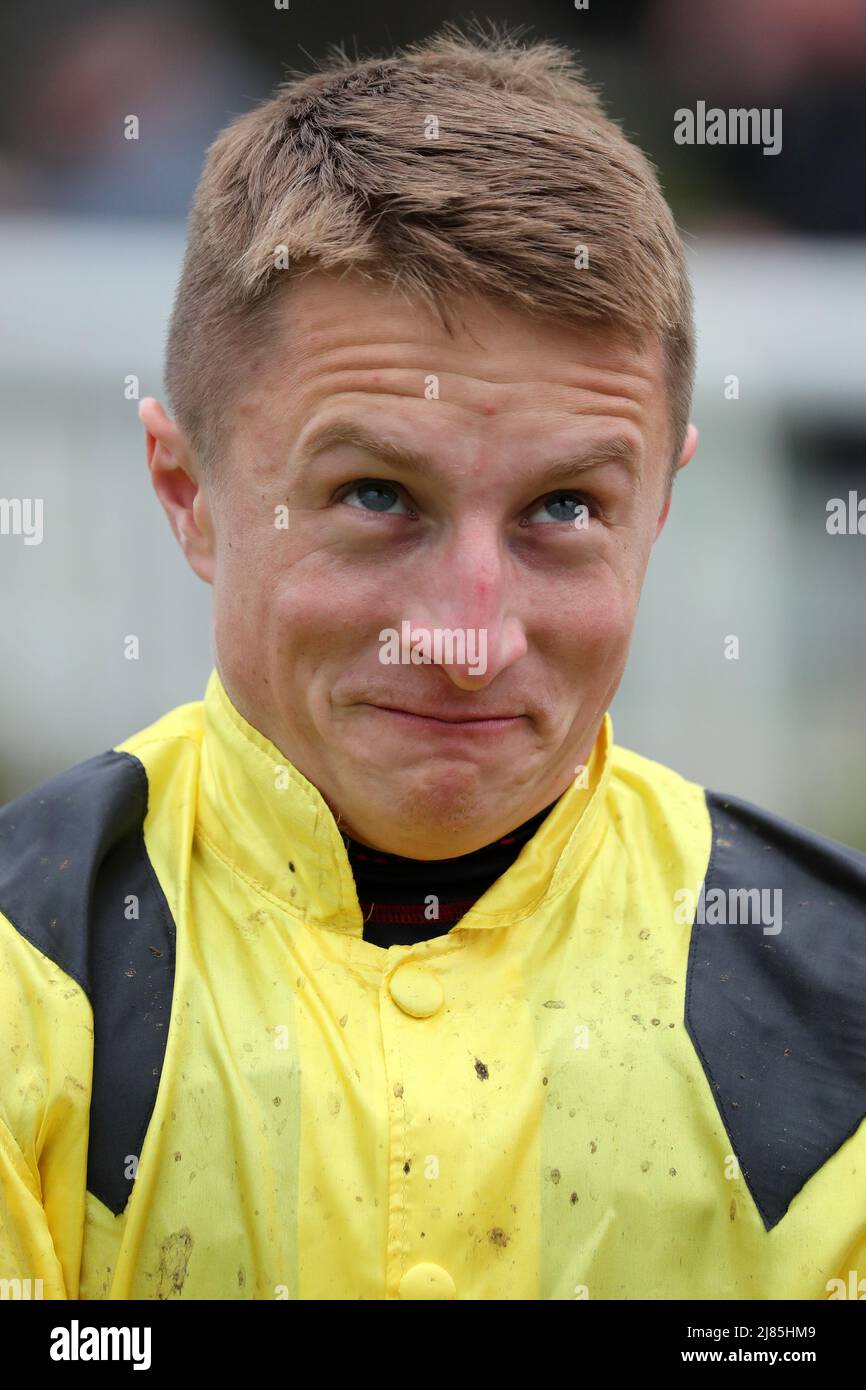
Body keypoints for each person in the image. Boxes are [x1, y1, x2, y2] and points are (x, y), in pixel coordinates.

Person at [1, 24, 864, 1303]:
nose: (469, 634)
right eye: (374, 494)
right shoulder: (27, 970)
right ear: (187, 491)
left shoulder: (838, 1006)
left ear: (657, 512)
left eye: (563, 508)